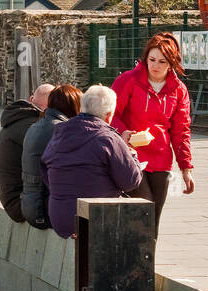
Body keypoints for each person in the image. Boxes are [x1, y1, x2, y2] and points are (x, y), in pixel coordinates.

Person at [110, 32, 195, 232]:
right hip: (131, 156)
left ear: (171, 63)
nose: (155, 66)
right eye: (151, 60)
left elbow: (181, 131)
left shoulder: (179, 90)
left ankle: (148, 260)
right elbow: (109, 113)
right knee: (143, 208)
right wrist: (123, 132)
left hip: (161, 159)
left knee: (154, 215)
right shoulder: (128, 80)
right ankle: (133, 258)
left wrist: (186, 168)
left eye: (162, 61)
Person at [41, 85, 144, 239]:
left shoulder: (60, 132)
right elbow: (131, 182)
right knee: (142, 223)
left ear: (82, 108)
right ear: (109, 116)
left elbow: (45, 170)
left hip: (61, 219)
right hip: (96, 217)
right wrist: (131, 154)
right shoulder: (108, 138)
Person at [20, 83, 82, 230]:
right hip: (43, 211)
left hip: (31, 204)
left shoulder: (37, 125)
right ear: (72, 106)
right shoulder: (60, 130)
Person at [0, 83, 54, 223]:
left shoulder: (21, 119)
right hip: (21, 205)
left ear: (32, 98)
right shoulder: (35, 127)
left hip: (15, 198)